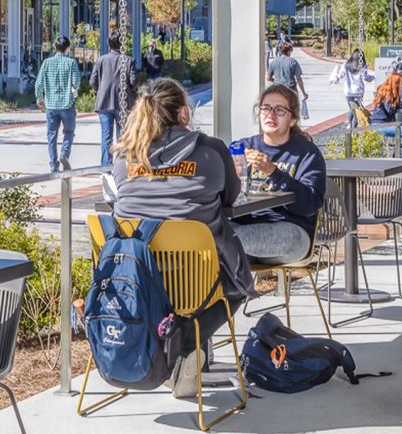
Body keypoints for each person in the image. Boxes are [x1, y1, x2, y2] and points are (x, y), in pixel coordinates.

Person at [110, 78, 251, 400]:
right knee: (238, 286)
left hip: (135, 280)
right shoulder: (211, 149)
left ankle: (163, 344)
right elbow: (230, 196)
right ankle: (187, 345)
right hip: (198, 278)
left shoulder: (125, 157)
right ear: (184, 113)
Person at [231, 83, 327, 266]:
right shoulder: (242, 148)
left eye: (279, 110)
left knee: (217, 240)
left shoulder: (307, 153)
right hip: (244, 225)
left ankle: (222, 243)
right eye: (266, 108)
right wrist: (231, 175)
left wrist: (272, 172)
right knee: (215, 235)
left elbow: (310, 204)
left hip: (289, 231)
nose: (270, 115)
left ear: (292, 119)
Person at [33, 36, 81, 173]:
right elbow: (76, 81)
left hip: (51, 105)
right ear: (67, 48)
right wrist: (73, 88)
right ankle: (64, 154)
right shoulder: (71, 63)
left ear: (55, 48)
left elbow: (39, 82)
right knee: (69, 132)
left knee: (51, 135)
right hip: (67, 104)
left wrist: (39, 97)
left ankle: (53, 163)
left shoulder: (47, 63)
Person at [90, 35, 135, 167]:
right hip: (123, 102)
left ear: (109, 45)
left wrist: (102, 89)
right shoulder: (129, 60)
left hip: (104, 102)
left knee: (106, 135)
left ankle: (106, 165)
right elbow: (133, 81)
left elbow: (93, 82)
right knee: (122, 135)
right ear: (122, 45)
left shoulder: (101, 60)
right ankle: (121, 163)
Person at [368, 71, 402, 159]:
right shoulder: (387, 94)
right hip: (380, 125)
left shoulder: (386, 91)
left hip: (383, 123)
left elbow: (393, 106)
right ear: (396, 84)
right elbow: (390, 109)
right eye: (401, 83)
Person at [330, 49, 373, 128]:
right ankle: (353, 128)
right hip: (358, 92)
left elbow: (341, 76)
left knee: (352, 108)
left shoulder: (346, 64)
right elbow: (365, 77)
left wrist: (335, 78)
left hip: (348, 91)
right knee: (357, 111)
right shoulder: (361, 65)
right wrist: (373, 77)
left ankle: (350, 124)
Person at [267, 42, 306, 119]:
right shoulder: (293, 62)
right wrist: (304, 92)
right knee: (292, 110)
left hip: (277, 89)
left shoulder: (274, 62)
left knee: (279, 109)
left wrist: (276, 81)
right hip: (291, 89)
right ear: (289, 51)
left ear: (280, 51)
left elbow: (268, 78)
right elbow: (299, 79)